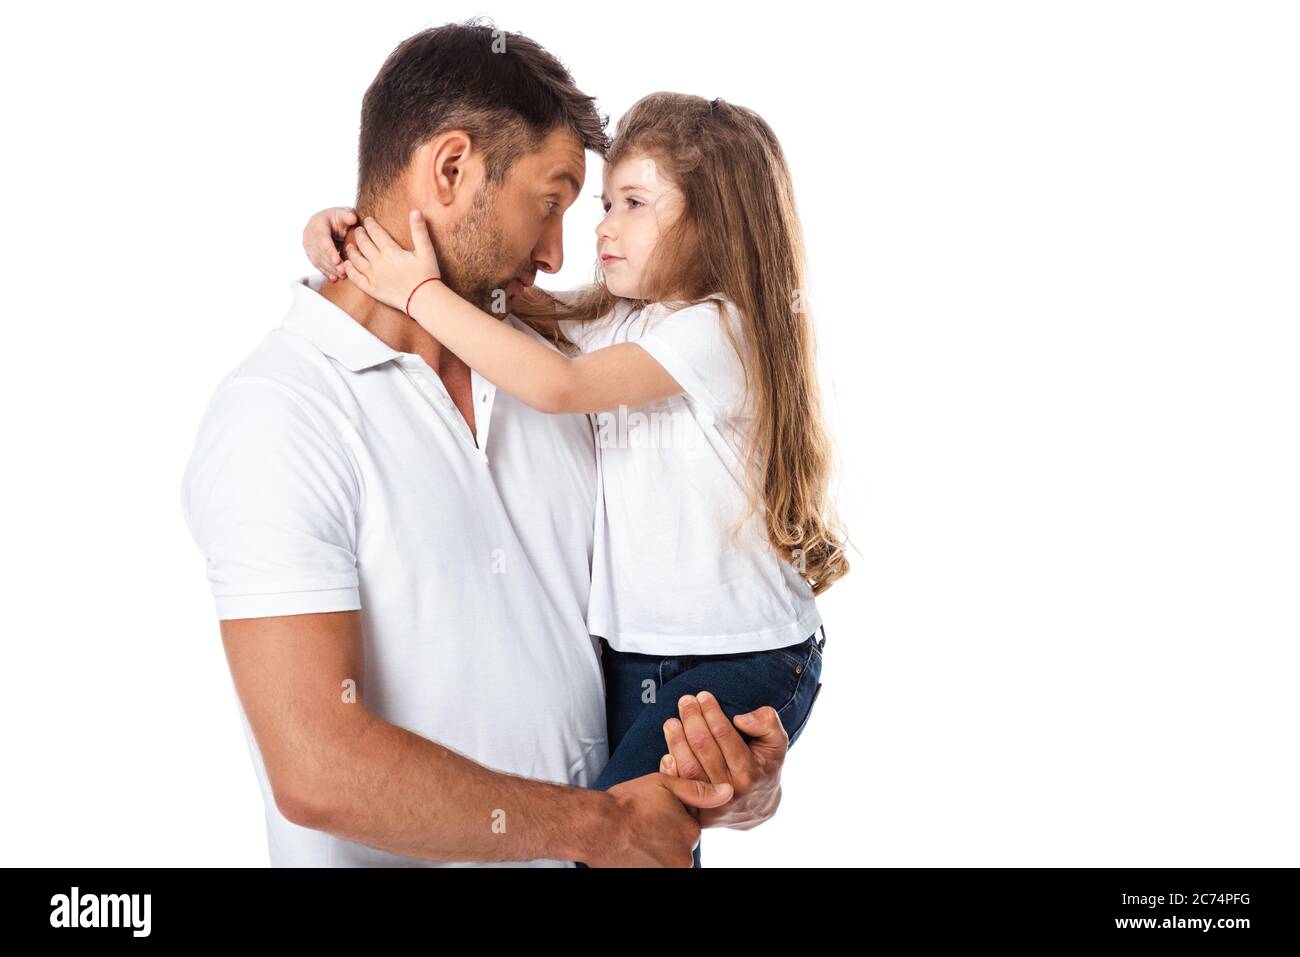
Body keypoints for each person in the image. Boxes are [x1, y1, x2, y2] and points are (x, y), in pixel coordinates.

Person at [182, 21, 793, 869]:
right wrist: (599, 827)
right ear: (451, 169)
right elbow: (318, 766)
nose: (557, 253)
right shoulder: (281, 414)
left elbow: (671, 629)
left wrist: (739, 775)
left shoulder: (557, 374)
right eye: (551, 202)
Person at [303, 89, 849, 866]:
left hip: (738, 655)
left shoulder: (717, 330)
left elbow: (555, 386)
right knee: (639, 842)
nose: (601, 228)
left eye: (633, 202)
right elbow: (508, 307)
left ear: (713, 219)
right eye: (604, 202)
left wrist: (413, 291)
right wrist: (351, 236)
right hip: (640, 656)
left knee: (620, 845)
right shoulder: (623, 319)